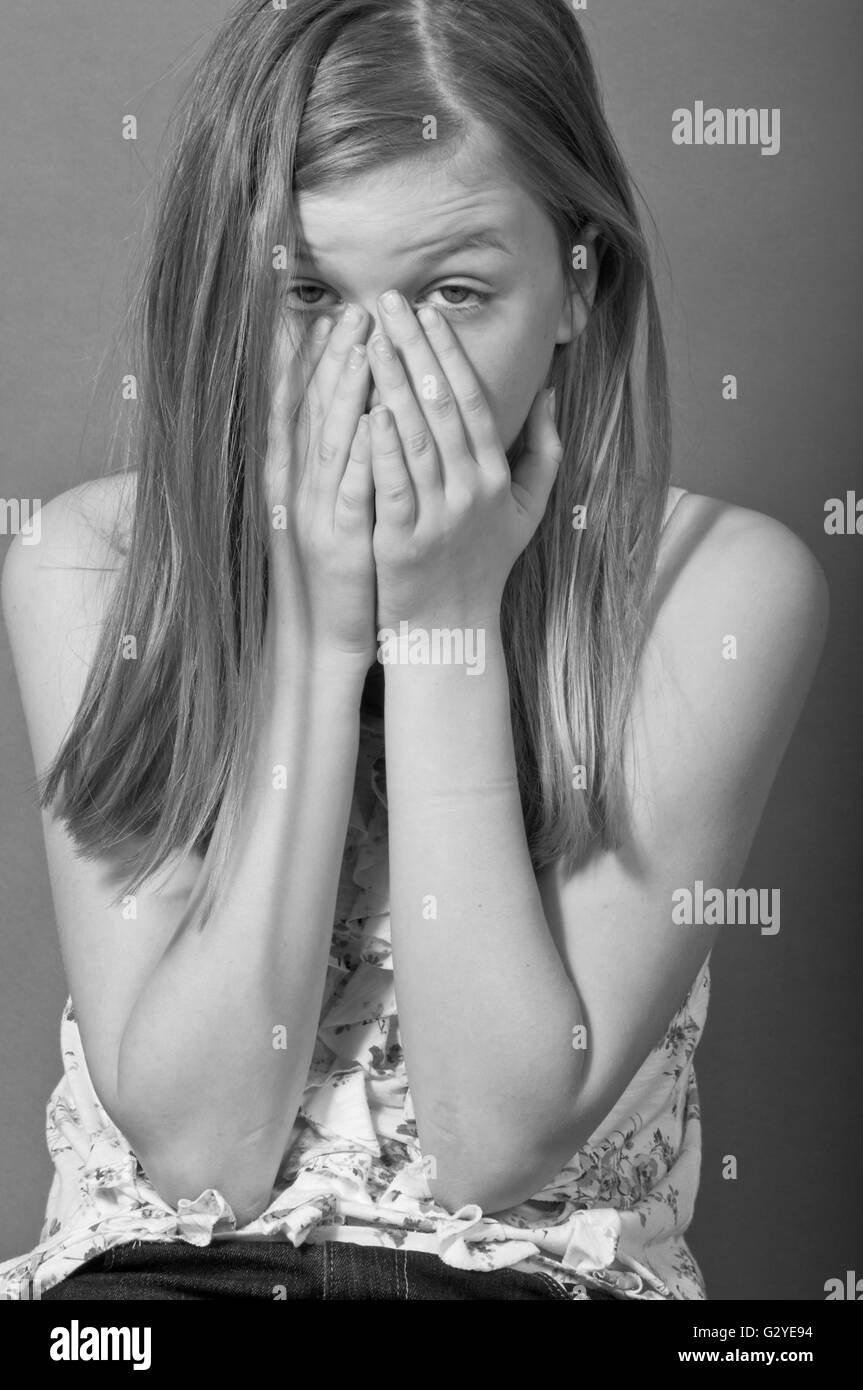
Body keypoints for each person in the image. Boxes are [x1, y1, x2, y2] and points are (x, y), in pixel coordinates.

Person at [0, 0, 827, 1301]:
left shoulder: (713, 589)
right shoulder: (91, 568)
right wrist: (318, 640)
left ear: (575, 283)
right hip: (159, 1292)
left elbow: (496, 1143)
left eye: (452, 291)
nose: (380, 372)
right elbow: (199, 1151)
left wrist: (445, 627)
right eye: (313, 294)